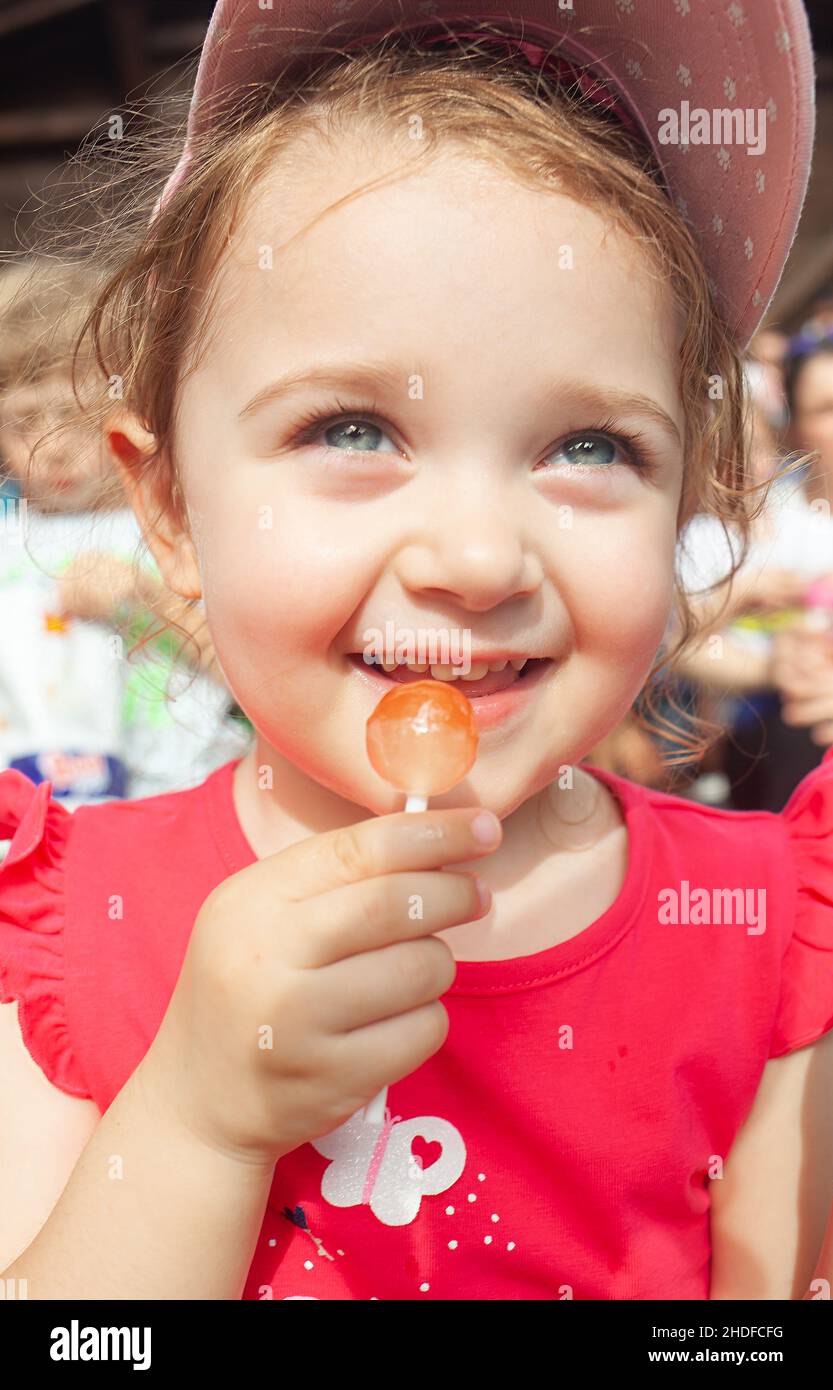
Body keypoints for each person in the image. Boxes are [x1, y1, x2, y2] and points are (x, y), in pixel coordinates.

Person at [1, 0, 831, 1302]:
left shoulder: (769, 938)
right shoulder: (63, 933)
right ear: (169, 512)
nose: (478, 556)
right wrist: (196, 1121)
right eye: (349, 428)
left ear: (682, 512)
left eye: (590, 448)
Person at [0, 258, 251, 805]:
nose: (53, 444)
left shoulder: (174, 528)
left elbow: (257, 683)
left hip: (177, 799)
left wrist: (148, 601)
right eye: (23, 421)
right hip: (29, 826)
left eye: (75, 417)